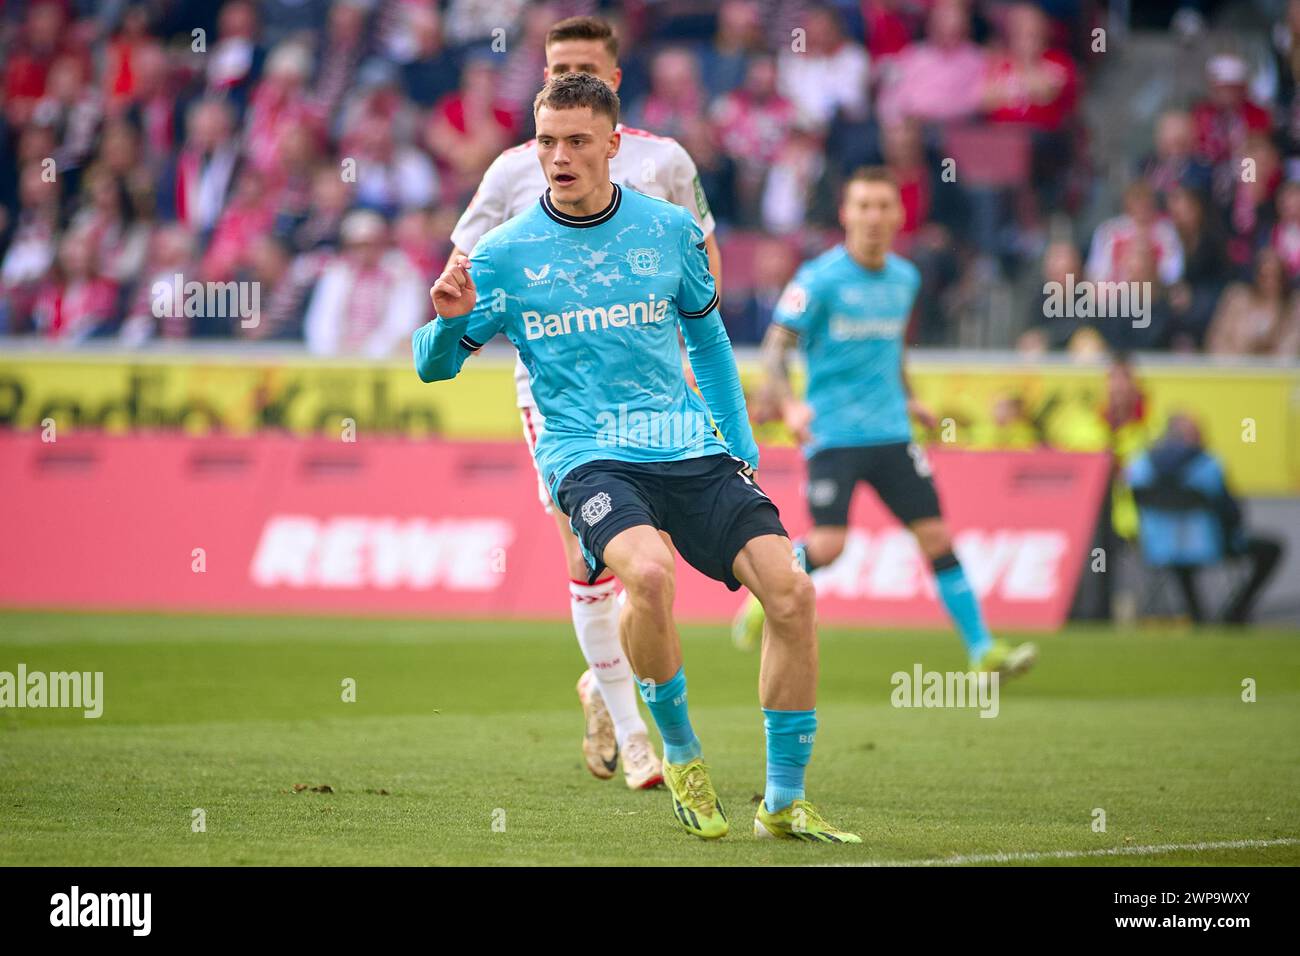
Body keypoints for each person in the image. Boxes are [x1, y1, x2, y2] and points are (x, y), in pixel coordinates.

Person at [415, 72, 859, 844]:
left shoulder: (666, 229)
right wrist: (449, 324)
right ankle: (681, 756)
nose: (560, 156)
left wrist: (740, 445)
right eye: (548, 141)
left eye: (578, 141)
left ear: (613, 146)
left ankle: (784, 800)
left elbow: (710, 341)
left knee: (791, 594)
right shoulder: (505, 252)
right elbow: (433, 364)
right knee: (647, 574)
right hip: (587, 457)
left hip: (688, 445)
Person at [445, 16, 722, 793]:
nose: (567, 76)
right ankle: (636, 736)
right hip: (557, 394)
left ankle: (604, 678)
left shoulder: (664, 160)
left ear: (612, 81)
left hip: (653, 385)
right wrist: (455, 316)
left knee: (653, 566)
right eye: (555, 66)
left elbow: (704, 254)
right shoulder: (512, 171)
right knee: (590, 551)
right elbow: (465, 266)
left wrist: (702, 338)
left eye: (583, 68)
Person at [735, 167, 1037, 679]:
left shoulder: (905, 278)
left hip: (893, 432)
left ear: (899, 215)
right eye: (863, 206)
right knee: (829, 545)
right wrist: (789, 406)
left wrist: (912, 399)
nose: (874, 217)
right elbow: (775, 349)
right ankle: (762, 593)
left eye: (883, 206)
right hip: (832, 434)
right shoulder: (818, 279)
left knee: (937, 536)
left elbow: (891, 348)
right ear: (845, 214)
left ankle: (983, 651)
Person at [1128, 415, 1283, 625]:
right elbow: (1229, 512)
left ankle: (1196, 615)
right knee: (1272, 549)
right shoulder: (1208, 465)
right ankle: (1235, 612)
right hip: (1206, 545)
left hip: (1159, 548)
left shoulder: (1140, 466)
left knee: (1180, 558)